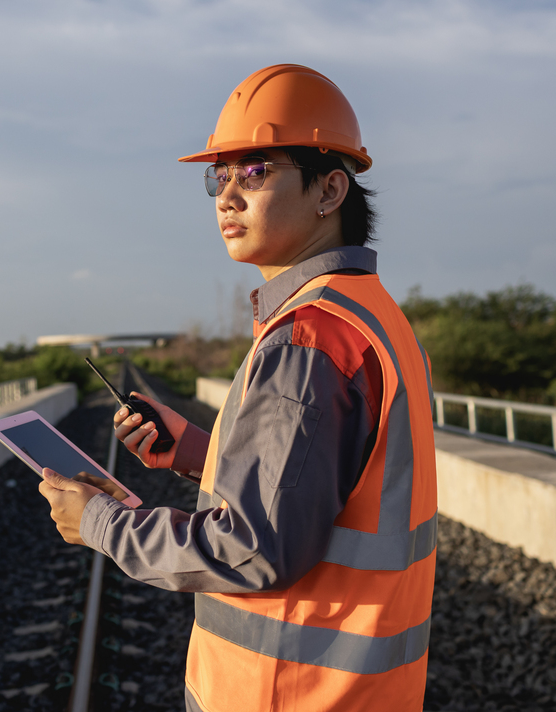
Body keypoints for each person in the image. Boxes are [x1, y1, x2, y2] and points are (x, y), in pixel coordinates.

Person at [39, 64, 438, 711]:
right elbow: (316, 483)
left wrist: (102, 522)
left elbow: (251, 548)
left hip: (289, 695)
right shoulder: (367, 314)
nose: (227, 196)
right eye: (218, 177)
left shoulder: (308, 339)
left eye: (255, 171)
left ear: (330, 190)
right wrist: (198, 450)